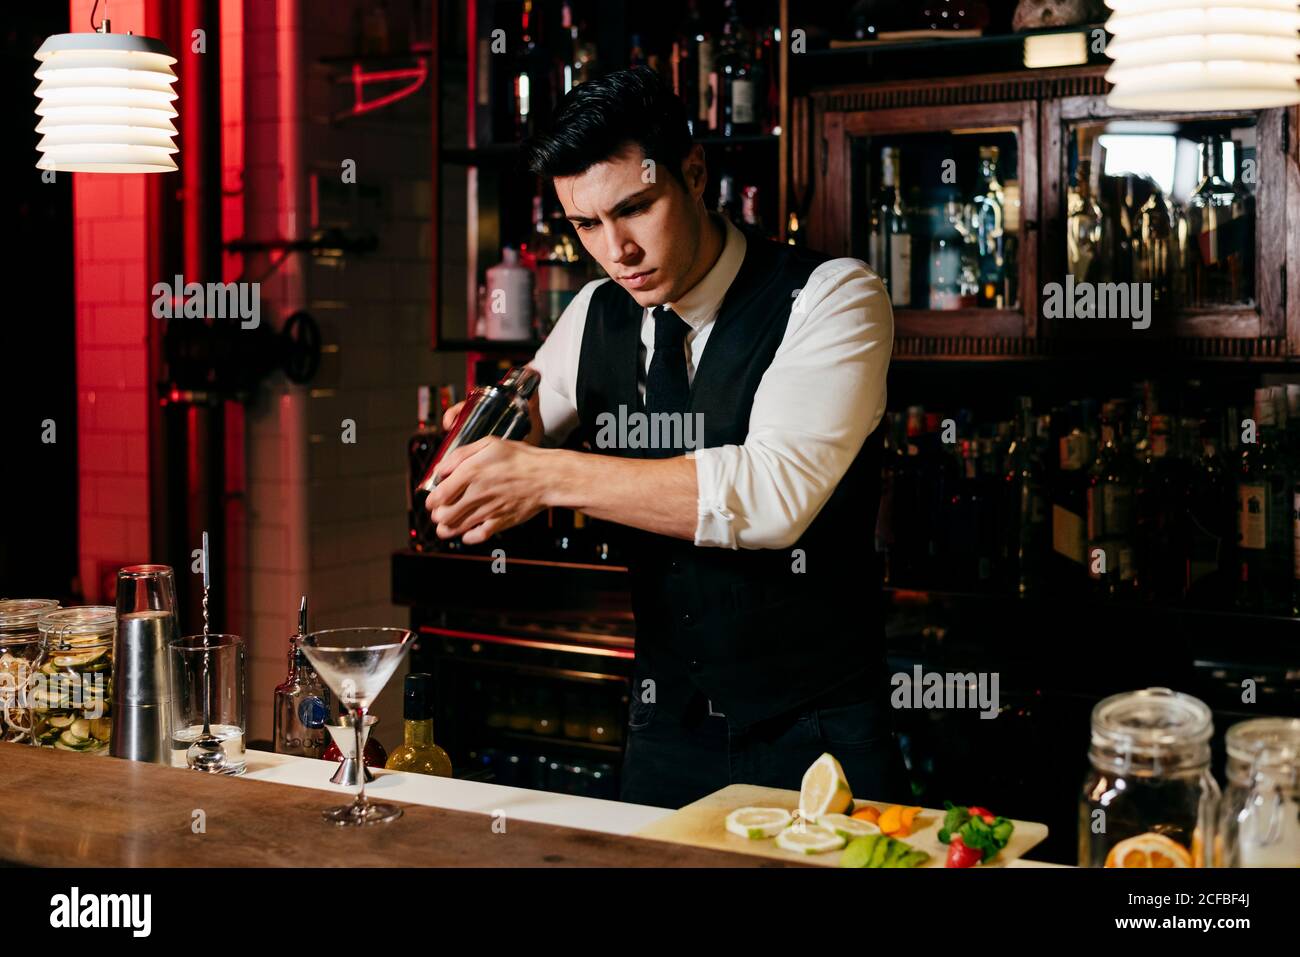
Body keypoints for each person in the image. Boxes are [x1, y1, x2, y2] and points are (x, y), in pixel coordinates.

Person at [425, 67, 906, 809]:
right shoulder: (595, 312)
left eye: (635, 208)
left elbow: (771, 496)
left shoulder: (832, 296)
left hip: (816, 737)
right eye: (585, 226)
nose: (616, 250)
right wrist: (470, 455)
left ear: (692, 173)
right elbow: (518, 413)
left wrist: (546, 476)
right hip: (664, 732)